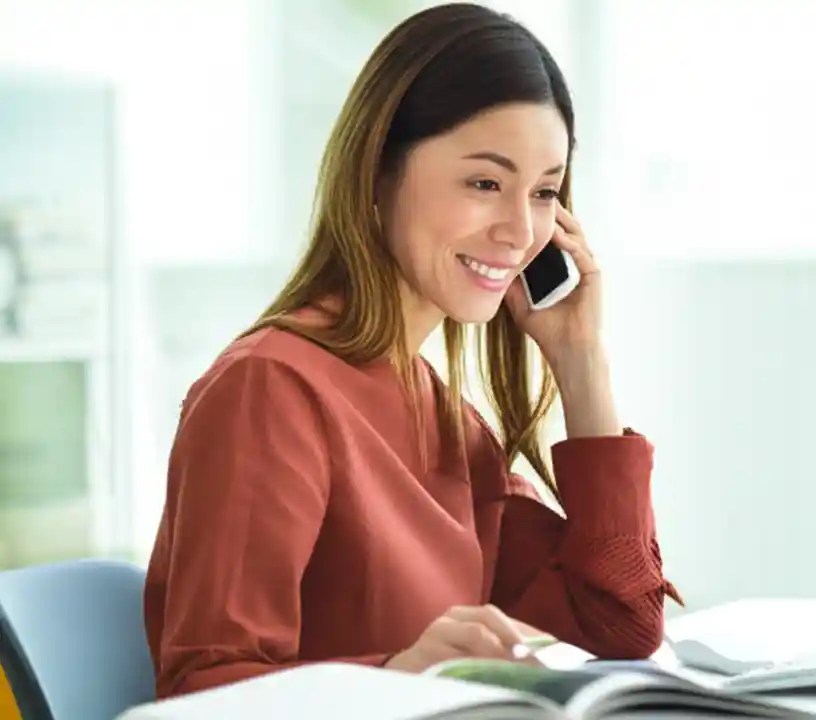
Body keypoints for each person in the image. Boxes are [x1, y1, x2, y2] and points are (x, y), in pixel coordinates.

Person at [143, 2, 682, 699]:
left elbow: (622, 624)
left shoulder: (443, 417)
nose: (521, 231)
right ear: (377, 172)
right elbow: (203, 693)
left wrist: (584, 364)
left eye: (545, 192)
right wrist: (399, 680)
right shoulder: (270, 391)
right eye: (485, 182)